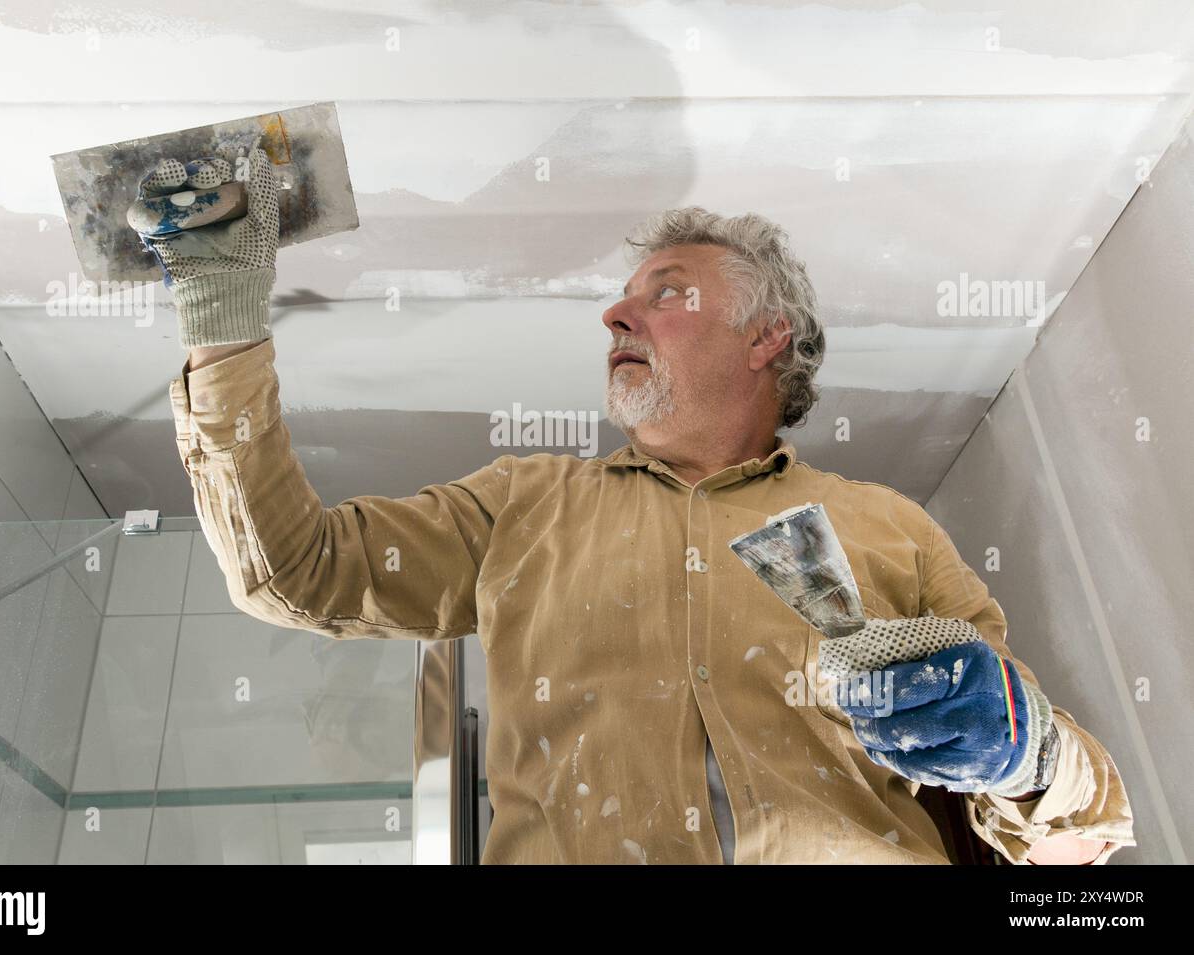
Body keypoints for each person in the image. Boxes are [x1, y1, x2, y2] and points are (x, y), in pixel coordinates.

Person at [138, 145, 1135, 864]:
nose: (614, 311)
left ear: (764, 338)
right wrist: (222, 317)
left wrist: (1029, 753)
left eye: (666, 291)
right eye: (623, 296)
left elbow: (1078, 844)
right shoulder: (522, 503)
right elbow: (293, 571)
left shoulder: (890, 527)